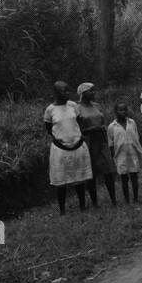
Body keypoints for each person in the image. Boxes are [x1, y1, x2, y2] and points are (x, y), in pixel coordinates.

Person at [44, 80, 92, 214]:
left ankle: (82, 206)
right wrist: (61, 140)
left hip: (78, 146)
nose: (67, 93)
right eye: (63, 91)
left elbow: (79, 122)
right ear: (56, 93)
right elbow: (49, 129)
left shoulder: (73, 105)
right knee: (61, 181)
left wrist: (78, 138)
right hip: (60, 149)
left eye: (68, 90)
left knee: (79, 179)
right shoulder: (50, 110)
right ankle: (62, 210)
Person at [75, 82, 117, 206]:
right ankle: (95, 203)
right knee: (91, 173)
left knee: (108, 170)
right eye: (91, 91)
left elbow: (102, 122)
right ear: (83, 93)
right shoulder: (77, 108)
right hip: (88, 142)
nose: (94, 93)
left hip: (102, 140)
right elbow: (76, 128)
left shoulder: (97, 106)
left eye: (94, 90)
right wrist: (90, 129)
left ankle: (114, 200)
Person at [107, 101, 142, 204]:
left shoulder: (132, 122)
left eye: (125, 109)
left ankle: (136, 198)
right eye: (120, 110)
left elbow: (136, 137)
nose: (123, 112)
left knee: (134, 176)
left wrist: (138, 151)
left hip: (133, 153)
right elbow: (111, 143)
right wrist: (113, 157)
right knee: (124, 178)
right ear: (116, 111)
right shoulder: (112, 126)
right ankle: (127, 200)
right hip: (120, 155)